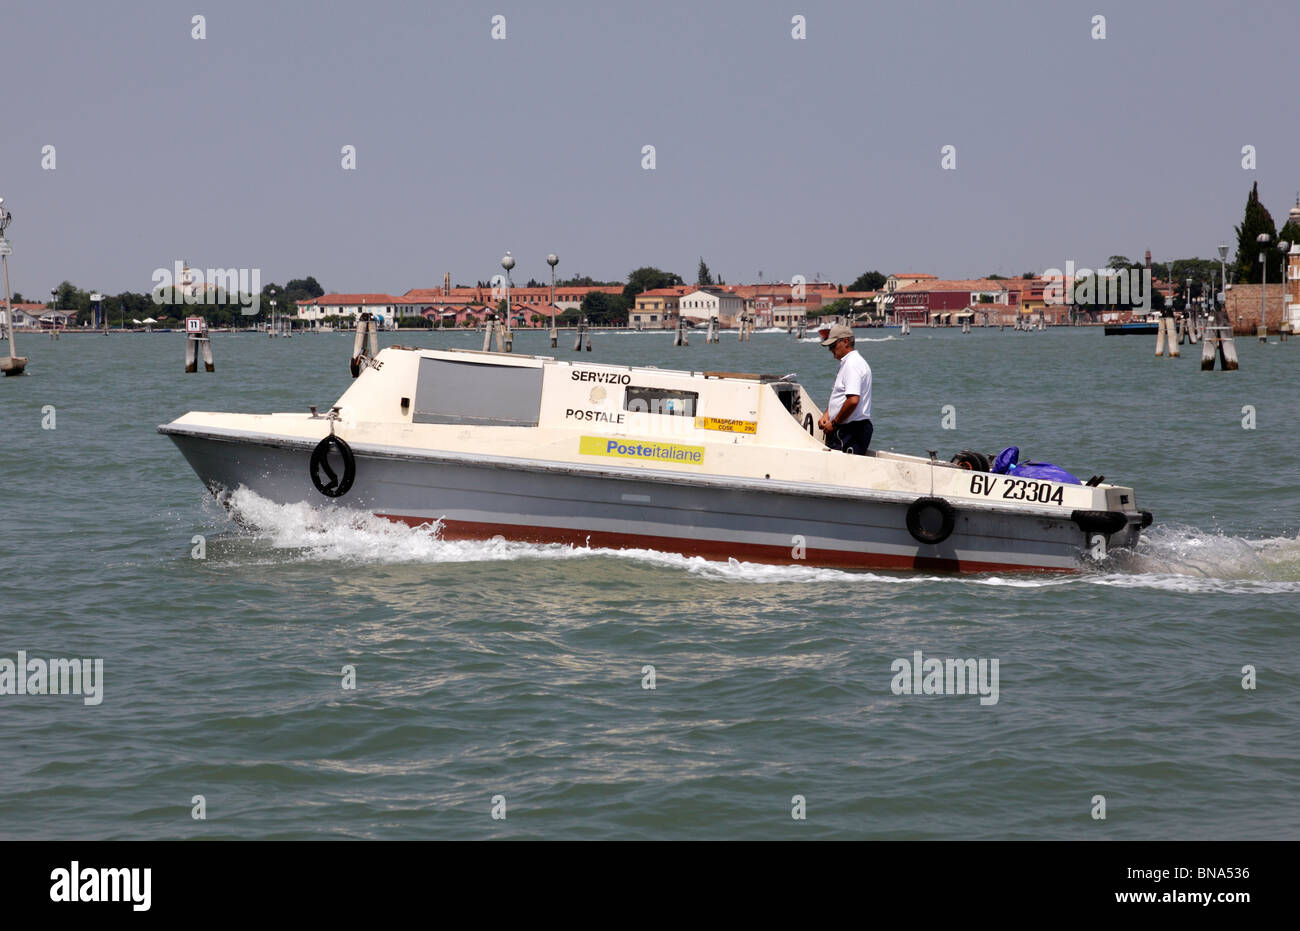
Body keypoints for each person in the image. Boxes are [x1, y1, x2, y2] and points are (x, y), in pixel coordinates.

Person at [817, 324, 873, 454]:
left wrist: (834, 424)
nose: (830, 349)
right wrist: (827, 414)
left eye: (833, 345)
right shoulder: (849, 363)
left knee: (843, 471)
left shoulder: (852, 365)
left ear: (846, 342)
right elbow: (840, 395)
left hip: (850, 430)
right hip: (848, 428)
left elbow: (853, 400)